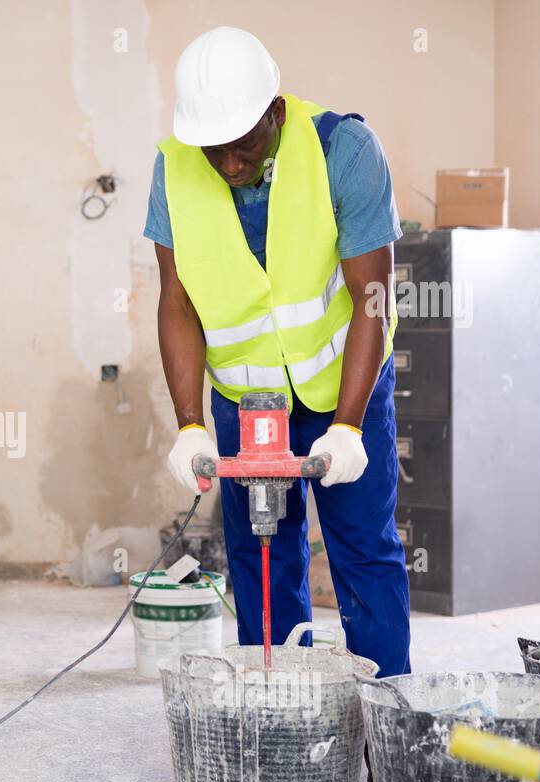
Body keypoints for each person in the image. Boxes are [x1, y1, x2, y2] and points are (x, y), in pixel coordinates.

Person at [147, 26, 410, 678]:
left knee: (362, 550)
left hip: (339, 385)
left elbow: (370, 297)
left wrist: (349, 426)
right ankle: (282, 724)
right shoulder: (174, 167)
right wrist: (188, 425)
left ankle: (387, 726)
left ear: (275, 109)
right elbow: (176, 301)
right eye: (215, 151)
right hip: (246, 400)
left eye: (245, 146)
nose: (230, 165)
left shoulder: (343, 150)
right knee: (263, 555)